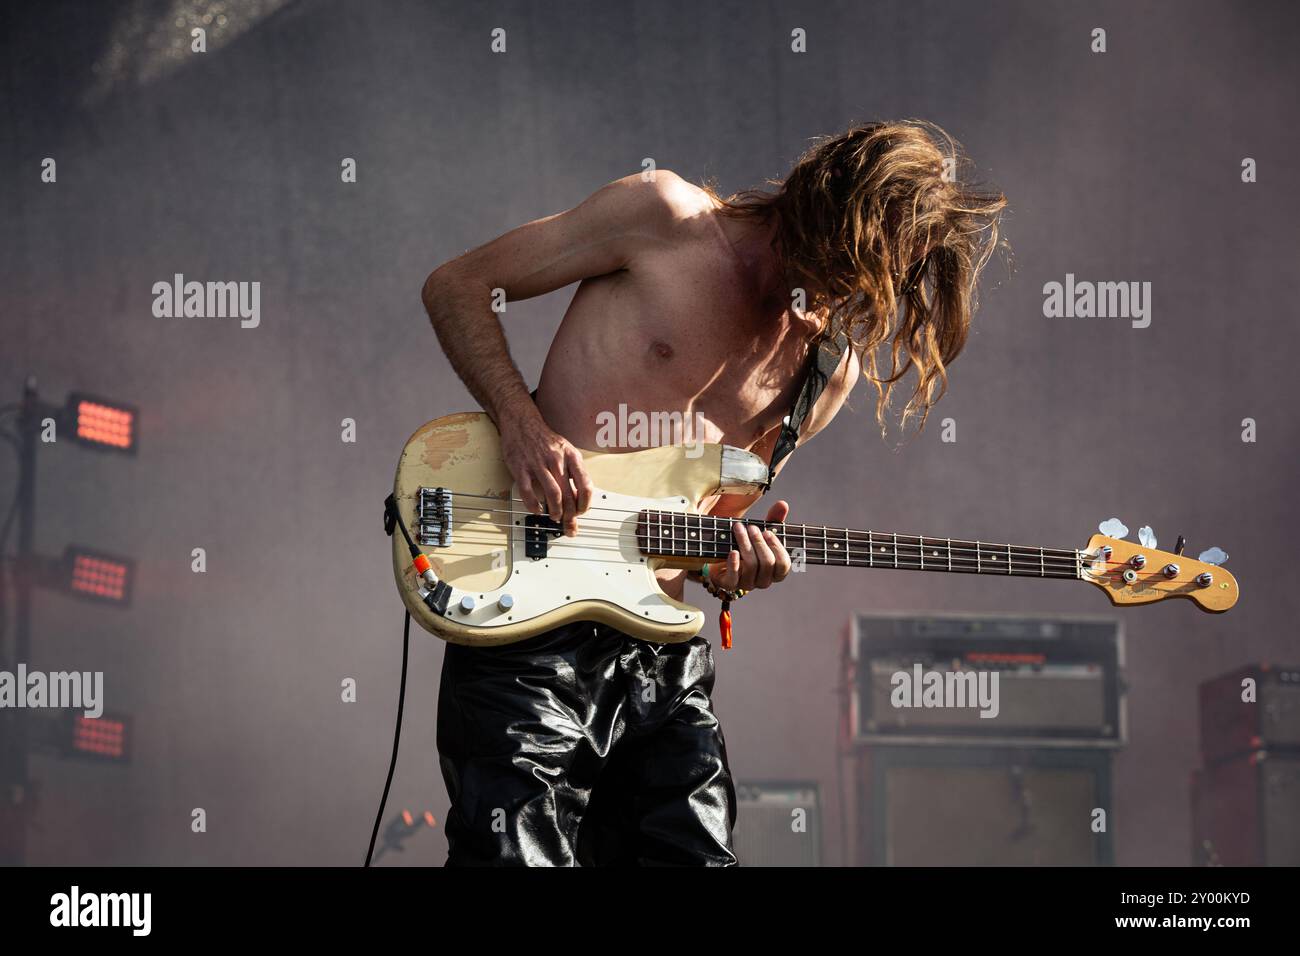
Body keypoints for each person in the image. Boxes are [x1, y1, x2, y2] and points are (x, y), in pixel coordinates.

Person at [421, 120, 1005, 865]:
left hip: (657, 656)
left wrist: (732, 571)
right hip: (524, 612)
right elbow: (457, 286)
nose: (861, 287)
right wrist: (521, 425)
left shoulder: (825, 372)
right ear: (834, 205)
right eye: (869, 254)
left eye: (890, 273)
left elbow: (703, 533)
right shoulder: (662, 217)